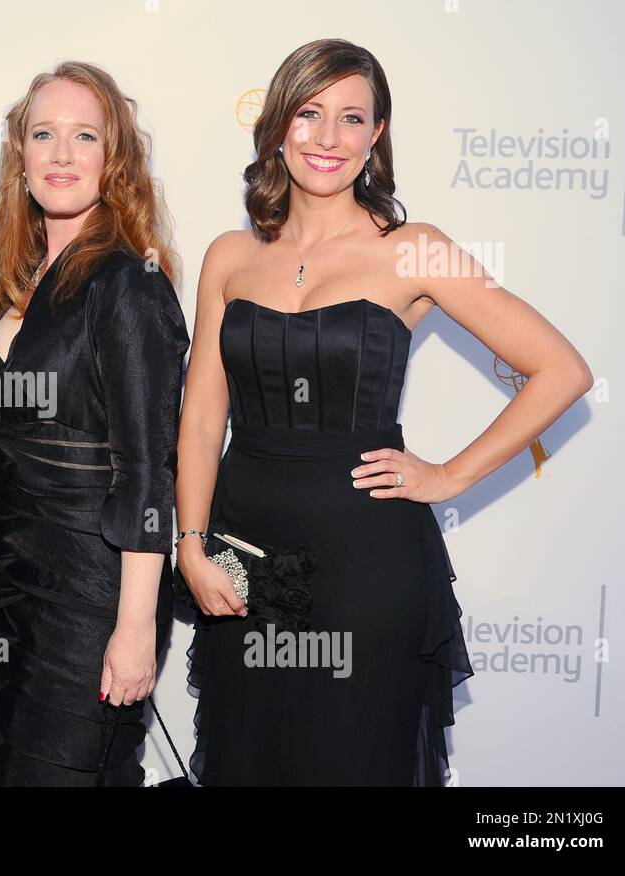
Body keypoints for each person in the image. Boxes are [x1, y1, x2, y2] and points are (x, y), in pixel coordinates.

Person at [176, 39, 594, 786]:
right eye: (309, 114)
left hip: (367, 567)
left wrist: (450, 475)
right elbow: (203, 418)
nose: (328, 138)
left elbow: (560, 369)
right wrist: (190, 543)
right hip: (247, 564)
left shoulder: (413, 251)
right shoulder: (230, 256)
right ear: (278, 125)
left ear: (376, 135)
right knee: (251, 760)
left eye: (351, 118)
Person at [0, 61, 190, 786]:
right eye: (43, 134)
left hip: (93, 597)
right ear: (19, 155)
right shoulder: (13, 281)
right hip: (13, 584)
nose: (61, 155)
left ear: (113, 159)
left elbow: (150, 469)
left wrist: (133, 627)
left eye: (83, 136)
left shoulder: (128, 283)